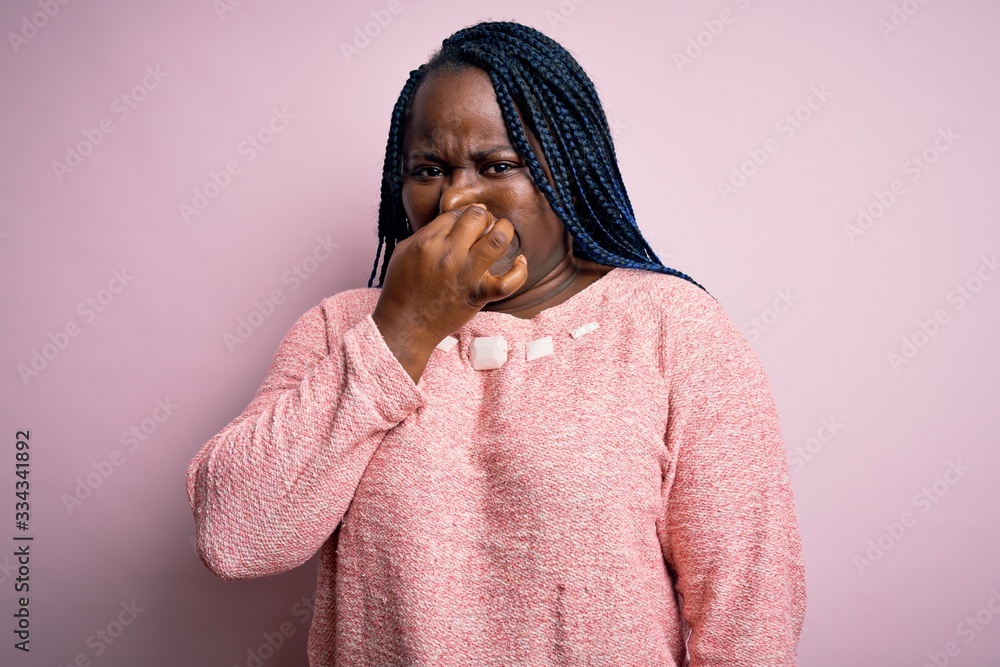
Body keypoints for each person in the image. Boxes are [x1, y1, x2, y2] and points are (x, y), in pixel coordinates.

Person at [186, 20, 807, 667]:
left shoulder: (675, 331)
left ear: (568, 168)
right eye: (428, 169)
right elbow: (232, 537)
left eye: (496, 165)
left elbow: (750, 619)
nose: (455, 197)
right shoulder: (341, 328)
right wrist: (401, 331)